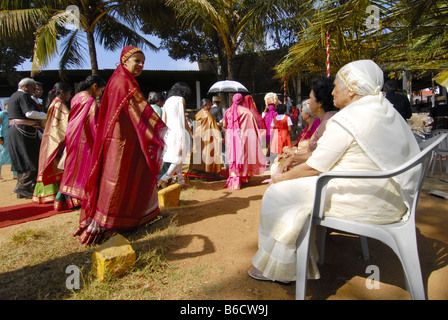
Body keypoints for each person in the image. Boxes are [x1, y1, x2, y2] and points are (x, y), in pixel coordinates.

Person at [249, 59, 420, 284]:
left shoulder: (348, 118)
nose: (334, 91)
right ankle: (288, 258)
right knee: (293, 192)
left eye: (337, 86)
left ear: (350, 90)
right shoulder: (384, 111)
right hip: (390, 196)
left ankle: (280, 268)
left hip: (369, 200)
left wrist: (280, 178)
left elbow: (314, 167)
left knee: (278, 193)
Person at [73, 46, 167, 246]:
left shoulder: (120, 80)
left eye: (143, 62)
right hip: (121, 142)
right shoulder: (124, 82)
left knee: (123, 178)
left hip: (125, 140)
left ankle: (129, 218)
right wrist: (159, 129)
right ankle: (111, 223)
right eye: (137, 61)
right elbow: (140, 111)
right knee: (117, 179)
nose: (141, 65)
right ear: (124, 61)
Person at [57, 75, 106, 211]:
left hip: (73, 134)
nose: (100, 93)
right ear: (94, 86)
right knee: (86, 167)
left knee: (73, 167)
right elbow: (94, 123)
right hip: (85, 137)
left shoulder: (76, 97)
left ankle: (68, 199)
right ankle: (83, 199)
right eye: (100, 90)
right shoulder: (90, 101)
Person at [279, 77, 338, 172]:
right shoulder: (324, 120)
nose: (308, 101)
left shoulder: (327, 121)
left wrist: (293, 156)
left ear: (320, 103)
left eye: (310, 98)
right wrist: (293, 154)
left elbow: (319, 154)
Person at [33, 82, 72, 204]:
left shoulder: (54, 103)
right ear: (62, 92)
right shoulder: (59, 104)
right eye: (69, 93)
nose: (70, 96)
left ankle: (49, 194)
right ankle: (57, 194)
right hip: (56, 138)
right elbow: (65, 123)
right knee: (58, 164)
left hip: (51, 137)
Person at [8, 78, 47, 198]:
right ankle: (23, 188)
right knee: (31, 158)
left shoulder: (13, 96)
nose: (34, 90)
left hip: (15, 131)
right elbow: (29, 113)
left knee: (21, 159)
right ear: (25, 86)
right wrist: (48, 115)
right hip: (24, 131)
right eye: (33, 87)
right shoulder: (23, 96)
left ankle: (22, 188)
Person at [223, 93, 267, 190]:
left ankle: (234, 180)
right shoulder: (246, 112)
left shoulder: (227, 112)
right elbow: (251, 127)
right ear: (241, 100)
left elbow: (224, 126)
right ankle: (242, 178)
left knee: (233, 157)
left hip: (231, 139)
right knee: (243, 158)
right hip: (243, 139)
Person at [157, 82, 191, 189]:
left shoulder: (167, 101)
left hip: (169, 132)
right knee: (179, 157)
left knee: (177, 157)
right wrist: (189, 133)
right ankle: (164, 179)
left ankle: (180, 180)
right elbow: (182, 119)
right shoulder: (180, 100)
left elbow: (164, 119)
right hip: (178, 130)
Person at [188, 98, 223, 177]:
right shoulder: (207, 115)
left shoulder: (198, 114)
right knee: (208, 154)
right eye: (209, 105)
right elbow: (214, 127)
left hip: (199, 136)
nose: (210, 107)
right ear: (205, 105)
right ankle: (209, 171)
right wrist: (219, 137)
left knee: (199, 153)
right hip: (207, 137)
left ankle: (197, 171)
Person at [0, 100, 16, 181]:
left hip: (11, 138)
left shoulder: (12, 114)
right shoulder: (2, 113)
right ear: (5, 106)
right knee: (2, 156)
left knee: (14, 155)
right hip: (4, 138)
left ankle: (15, 174)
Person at [262, 92, 278, 157]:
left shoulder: (265, 114)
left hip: (268, 132)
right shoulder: (276, 114)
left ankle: (269, 155)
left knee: (269, 145)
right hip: (275, 131)